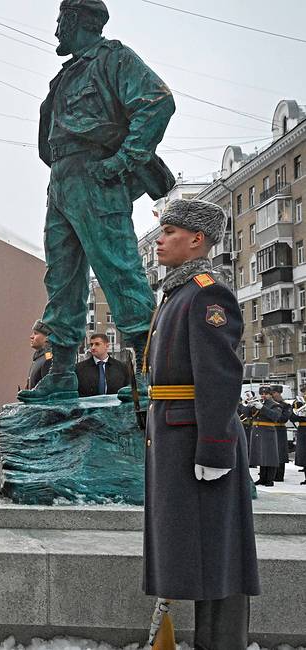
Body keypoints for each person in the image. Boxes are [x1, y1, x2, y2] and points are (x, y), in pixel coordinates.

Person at [19, 0, 175, 403]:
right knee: (61, 277)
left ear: (75, 21)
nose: (55, 31)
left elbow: (157, 102)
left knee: (119, 268)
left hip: (96, 176)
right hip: (63, 179)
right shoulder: (66, 75)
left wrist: (124, 160)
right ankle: (61, 372)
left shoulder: (114, 58)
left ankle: (145, 371)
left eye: (59, 22)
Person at [143, 199, 259, 649]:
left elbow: (220, 376)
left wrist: (214, 448)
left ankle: (223, 643)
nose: (159, 239)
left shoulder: (206, 292)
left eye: (169, 231)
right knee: (190, 552)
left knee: (219, 554)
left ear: (196, 240)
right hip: (175, 437)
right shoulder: (179, 293)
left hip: (197, 440)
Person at [243, 386, 283, 487]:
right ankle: (262, 478)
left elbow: (275, 417)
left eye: (266, 394)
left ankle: (270, 479)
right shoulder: (258, 403)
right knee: (259, 455)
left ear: (270, 395)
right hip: (257, 431)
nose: (263, 396)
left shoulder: (275, 405)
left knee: (270, 456)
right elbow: (247, 415)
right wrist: (249, 406)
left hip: (268, 432)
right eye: (262, 394)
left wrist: (262, 408)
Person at [75, 333, 129, 397]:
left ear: (107, 346)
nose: (93, 347)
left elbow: (127, 390)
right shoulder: (79, 368)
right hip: (89, 405)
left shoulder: (121, 368)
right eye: (91, 344)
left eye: (97, 344)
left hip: (114, 405)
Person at [269, 386, 292, 483]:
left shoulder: (285, 405)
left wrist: (272, 414)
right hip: (270, 428)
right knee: (270, 451)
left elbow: (284, 418)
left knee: (280, 453)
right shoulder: (269, 404)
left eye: (273, 393)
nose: (272, 395)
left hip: (280, 429)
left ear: (279, 393)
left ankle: (279, 475)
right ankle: (270, 474)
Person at [25, 321, 54, 390]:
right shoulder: (39, 358)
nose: (31, 336)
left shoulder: (48, 359)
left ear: (47, 337)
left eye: (35, 333)